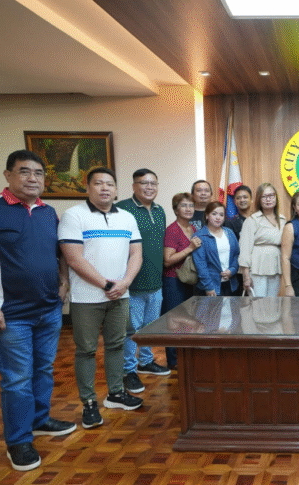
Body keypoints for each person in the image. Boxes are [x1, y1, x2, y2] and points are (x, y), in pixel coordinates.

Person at [0, 150, 75, 471]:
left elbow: (61, 253)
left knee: (43, 370)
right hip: (9, 315)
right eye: (24, 172)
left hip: (48, 309)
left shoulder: (49, 212)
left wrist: (63, 283)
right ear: (8, 175)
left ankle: (39, 419)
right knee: (17, 379)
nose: (32, 178)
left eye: (38, 173)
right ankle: (19, 440)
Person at [58, 168, 144, 431]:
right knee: (86, 350)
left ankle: (115, 394)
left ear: (117, 190)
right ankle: (89, 403)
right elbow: (73, 258)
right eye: (98, 184)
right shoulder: (74, 216)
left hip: (121, 294)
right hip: (87, 297)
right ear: (88, 188)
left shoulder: (127, 217)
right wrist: (106, 284)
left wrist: (125, 283)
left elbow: (136, 255)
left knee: (117, 345)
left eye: (110, 184)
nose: (105, 188)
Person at [117, 169, 170, 396]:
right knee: (132, 330)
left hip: (155, 281)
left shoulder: (160, 211)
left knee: (149, 328)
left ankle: (146, 361)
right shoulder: (122, 209)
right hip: (132, 283)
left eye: (153, 183)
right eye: (144, 183)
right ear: (134, 185)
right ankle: (128, 370)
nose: (149, 187)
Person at [162, 193, 201, 369]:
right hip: (173, 281)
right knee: (174, 320)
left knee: (187, 319)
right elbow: (167, 260)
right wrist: (189, 248)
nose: (188, 209)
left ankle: (184, 358)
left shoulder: (193, 228)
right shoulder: (172, 230)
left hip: (188, 280)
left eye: (191, 206)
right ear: (176, 209)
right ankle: (173, 361)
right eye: (184, 205)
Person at [239, 183, 286, 296]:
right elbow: (244, 250)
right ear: (259, 200)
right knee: (258, 306)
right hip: (256, 269)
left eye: (271, 195)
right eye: (264, 196)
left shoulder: (283, 219)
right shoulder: (252, 220)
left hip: (276, 267)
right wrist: (246, 277)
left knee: (273, 306)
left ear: (276, 198)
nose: (268, 199)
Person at [192, 201, 240, 295]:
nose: (218, 217)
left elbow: (237, 255)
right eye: (214, 214)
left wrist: (233, 270)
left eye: (221, 215)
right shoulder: (199, 236)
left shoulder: (229, 233)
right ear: (207, 216)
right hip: (211, 287)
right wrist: (209, 287)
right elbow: (201, 265)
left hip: (231, 284)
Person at [227, 185, 253, 294]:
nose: (242, 200)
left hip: (258, 267)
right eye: (238, 198)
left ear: (251, 199)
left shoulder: (258, 219)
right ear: (235, 201)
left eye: (245, 197)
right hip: (240, 271)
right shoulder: (230, 223)